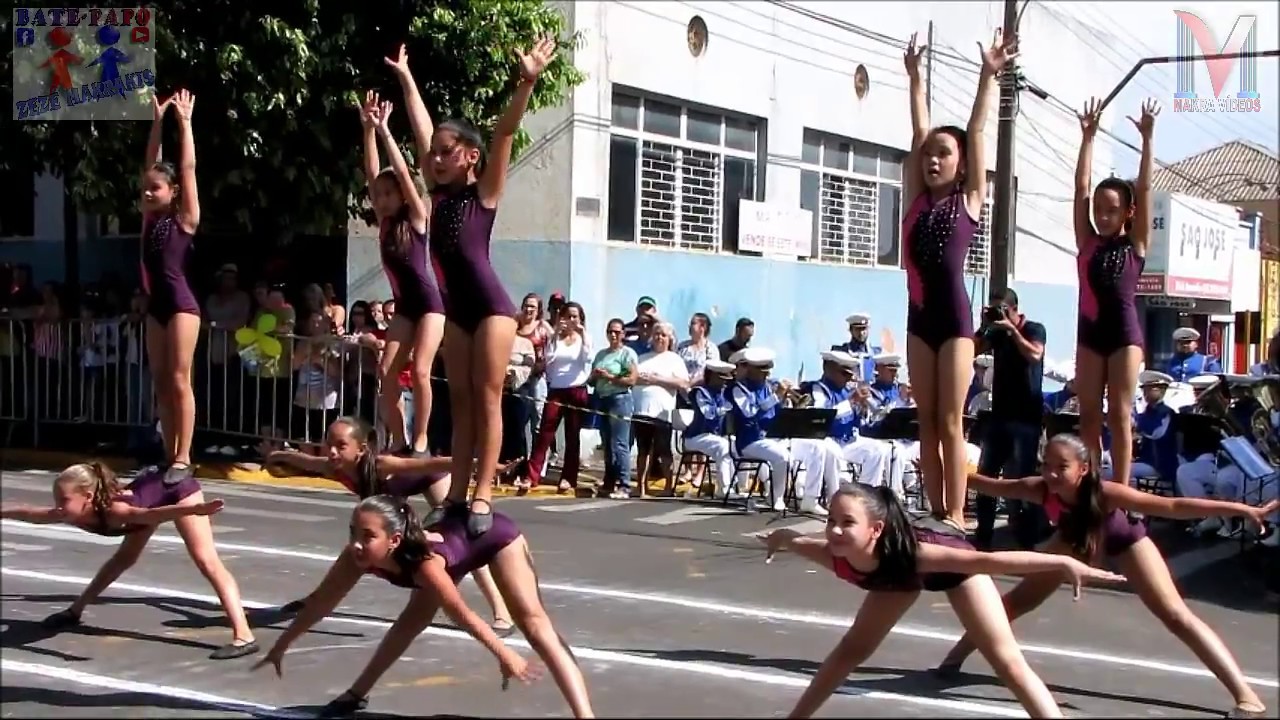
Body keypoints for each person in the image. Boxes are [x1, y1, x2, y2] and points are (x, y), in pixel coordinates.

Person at [936, 433, 1274, 719]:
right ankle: (953, 658)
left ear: (1083, 469)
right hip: (1071, 543)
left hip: (1126, 542)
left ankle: (1245, 694)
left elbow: (1173, 507)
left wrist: (1241, 509)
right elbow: (988, 485)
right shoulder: (1039, 488)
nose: (1052, 474)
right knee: (1014, 602)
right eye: (1047, 465)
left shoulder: (1106, 493)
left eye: (1062, 467)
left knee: (1175, 615)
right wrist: (940, 468)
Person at [760, 482, 1126, 719]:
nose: (836, 529)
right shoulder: (834, 551)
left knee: (1007, 662)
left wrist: (1062, 562)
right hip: (897, 580)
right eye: (831, 520)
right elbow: (795, 540)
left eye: (847, 522)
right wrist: (780, 537)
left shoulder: (921, 554)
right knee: (850, 650)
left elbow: (991, 561)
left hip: (957, 571)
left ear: (876, 529)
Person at [389, 40, 559, 536]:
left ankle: (483, 494)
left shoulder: (483, 193)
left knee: (487, 400)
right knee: (458, 404)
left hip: (491, 309)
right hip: (457, 310)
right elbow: (423, 131)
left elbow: (505, 130)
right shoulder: (439, 194)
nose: (436, 159)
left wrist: (526, 81)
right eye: (434, 155)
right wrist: (406, 78)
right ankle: (456, 495)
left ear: (470, 157)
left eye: (447, 153)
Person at [255, 496, 594, 718]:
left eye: (367, 535)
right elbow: (321, 603)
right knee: (407, 623)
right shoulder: (355, 557)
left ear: (394, 540)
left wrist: (506, 655)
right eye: (352, 532)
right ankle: (356, 694)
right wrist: (282, 646)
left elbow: (460, 612)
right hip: (450, 556)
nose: (356, 543)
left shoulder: (426, 564)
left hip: (495, 539)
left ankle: (584, 716)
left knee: (535, 626)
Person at [901, 31, 1016, 530]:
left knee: (951, 421)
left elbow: (977, 131)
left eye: (943, 154)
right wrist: (914, 79)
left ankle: (955, 512)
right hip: (918, 318)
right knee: (924, 421)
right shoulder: (917, 198)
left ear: (962, 163)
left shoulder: (968, 200)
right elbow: (918, 133)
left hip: (955, 322)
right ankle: (931, 509)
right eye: (929, 156)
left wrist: (988, 75)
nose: (932, 160)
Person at [261, 416, 515, 635]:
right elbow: (305, 461)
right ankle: (314, 600)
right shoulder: (333, 467)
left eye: (341, 446)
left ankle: (501, 612)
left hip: (431, 478)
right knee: (353, 553)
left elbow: (430, 465)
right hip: (397, 502)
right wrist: (279, 455)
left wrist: (487, 467)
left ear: (361, 449)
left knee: (463, 541)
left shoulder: (381, 466)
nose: (333, 452)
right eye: (330, 445)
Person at [0, 462, 257, 659]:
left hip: (178, 496)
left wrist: (194, 510)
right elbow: (30, 513)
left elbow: (149, 514)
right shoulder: (71, 513)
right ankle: (74, 611)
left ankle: (244, 636)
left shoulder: (116, 511)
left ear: (88, 497)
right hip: (148, 503)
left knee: (206, 560)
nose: (57, 506)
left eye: (64, 500)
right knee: (122, 559)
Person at [1072, 96, 1159, 487]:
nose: (1102, 216)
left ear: (1128, 213)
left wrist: (1147, 141)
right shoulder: (1087, 241)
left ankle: (1121, 489)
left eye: (1112, 210)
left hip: (1124, 337)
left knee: (1119, 415)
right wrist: (1087, 137)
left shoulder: (1135, 246)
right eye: (1099, 211)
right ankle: (1091, 485)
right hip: (1090, 336)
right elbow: (1080, 190)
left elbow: (1145, 186)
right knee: (1089, 414)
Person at [358, 88, 444, 458]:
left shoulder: (418, 218)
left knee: (421, 371)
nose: (380, 200)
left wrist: (387, 132)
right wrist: (368, 129)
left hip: (430, 305)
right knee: (386, 374)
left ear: (402, 197)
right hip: (405, 306)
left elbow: (403, 177)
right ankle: (398, 437)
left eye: (387, 195)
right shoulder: (384, 221)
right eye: (377, 196)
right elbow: (372, 172)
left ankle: (421, 439)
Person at [140, 90, 202, 485]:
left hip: (181, 305)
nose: (148, 193)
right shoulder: (148, 220)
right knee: (160, 379)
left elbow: (189, 168)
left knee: (180, 378)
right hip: (155, 307)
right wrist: (157, 122)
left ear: (173, 192)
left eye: (156, 189)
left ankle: (183, 456)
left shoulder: (185, 220)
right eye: (145, 188)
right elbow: (151, 161)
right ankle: (167, 453)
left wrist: (186, 123)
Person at [973, 287, 1048, 550]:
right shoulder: (996, 334)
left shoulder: (1034, 329)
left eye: (1002, 309)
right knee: (987, 477)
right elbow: (970, 350)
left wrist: (1012, 330)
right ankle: (983, 535)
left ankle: (1025, 538)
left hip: (1026, 418)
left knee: (1020, 479)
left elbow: (1034, 355)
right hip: (999, 416)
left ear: (1014, 309)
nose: (999, 314)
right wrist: (984, 327)